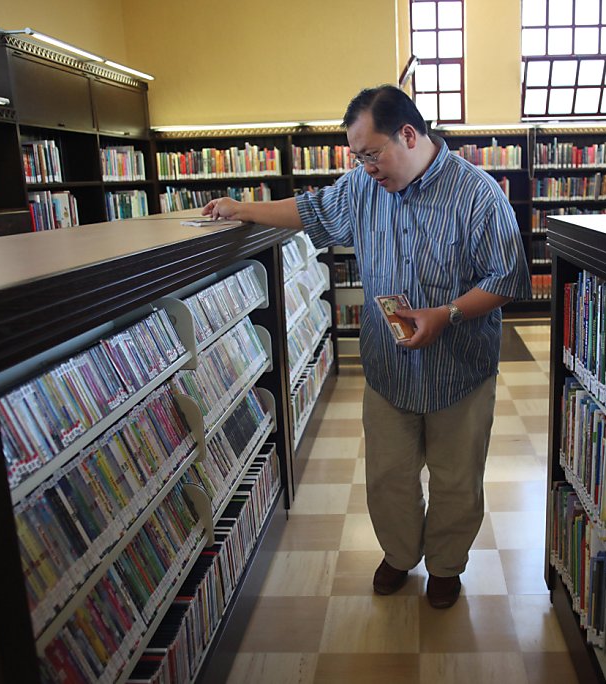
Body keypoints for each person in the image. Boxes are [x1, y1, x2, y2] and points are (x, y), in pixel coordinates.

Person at [202, 84, 530, 609]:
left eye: (371, 154)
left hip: (459, 370)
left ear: (408, 134)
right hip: (388, 367)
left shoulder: (478, 193)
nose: (365, 166)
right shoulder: (361, 186)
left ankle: (446, 565)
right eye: (357, 157)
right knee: (388, 476)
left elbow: (508, 278)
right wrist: (243, 208)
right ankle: (400, 555)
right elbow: (311, 211)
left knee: (456, 480)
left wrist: (445, 315)